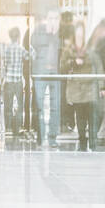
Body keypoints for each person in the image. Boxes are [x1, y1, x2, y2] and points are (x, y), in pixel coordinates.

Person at [60, 23, 101, 150]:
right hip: (76, 89)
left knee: (92, 118)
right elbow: (62, 67)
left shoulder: (91, 49)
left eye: (81, 35)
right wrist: (73, 62)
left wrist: (102, 87)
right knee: (81, 118)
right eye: (77, 35)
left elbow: (99, 66)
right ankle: (83, 142)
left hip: (89, 88)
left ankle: (93, 144)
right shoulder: (68, 50)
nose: (80, 37)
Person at [30, 10, 62, 148]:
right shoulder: (39, 31)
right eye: (51, 18)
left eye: (56, 18)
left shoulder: (61, 33)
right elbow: (33, 44)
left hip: (56, 73)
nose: (53, 21)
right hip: (41, 73)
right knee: (39, 106)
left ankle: (52, 137)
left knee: (55, 106)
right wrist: (49, 33)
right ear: (46, 19)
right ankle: (40, 136)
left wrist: (55, 34)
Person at [86, 19, 105, 149]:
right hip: (99, 75)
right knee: (101, 106)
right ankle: (100, 133)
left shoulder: (103, 39)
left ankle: (101, 134)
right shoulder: (98, 40)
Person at [1, 27, 34, 139]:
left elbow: (4, 66)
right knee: (19, 106)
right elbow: (31, 57)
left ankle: (9, 129)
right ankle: (18, 127)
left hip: (8, 81)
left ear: (10, 37)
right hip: (18, 81)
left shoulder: (6, 49)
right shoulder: (21, 49)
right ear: (18, 36)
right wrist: (31, 48)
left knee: (8, 106)